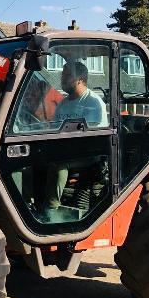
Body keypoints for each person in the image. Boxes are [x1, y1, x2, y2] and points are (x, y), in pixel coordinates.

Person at [45, 61, 108, 213]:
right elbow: (54, 128)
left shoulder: (93, 102)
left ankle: (51, 209)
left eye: (66, 75)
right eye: (62, 75)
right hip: (66, 150)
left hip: (87, 153)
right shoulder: (63, 104)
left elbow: (93, 136)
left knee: (58, 165)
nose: (62, 78)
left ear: (79, 79)